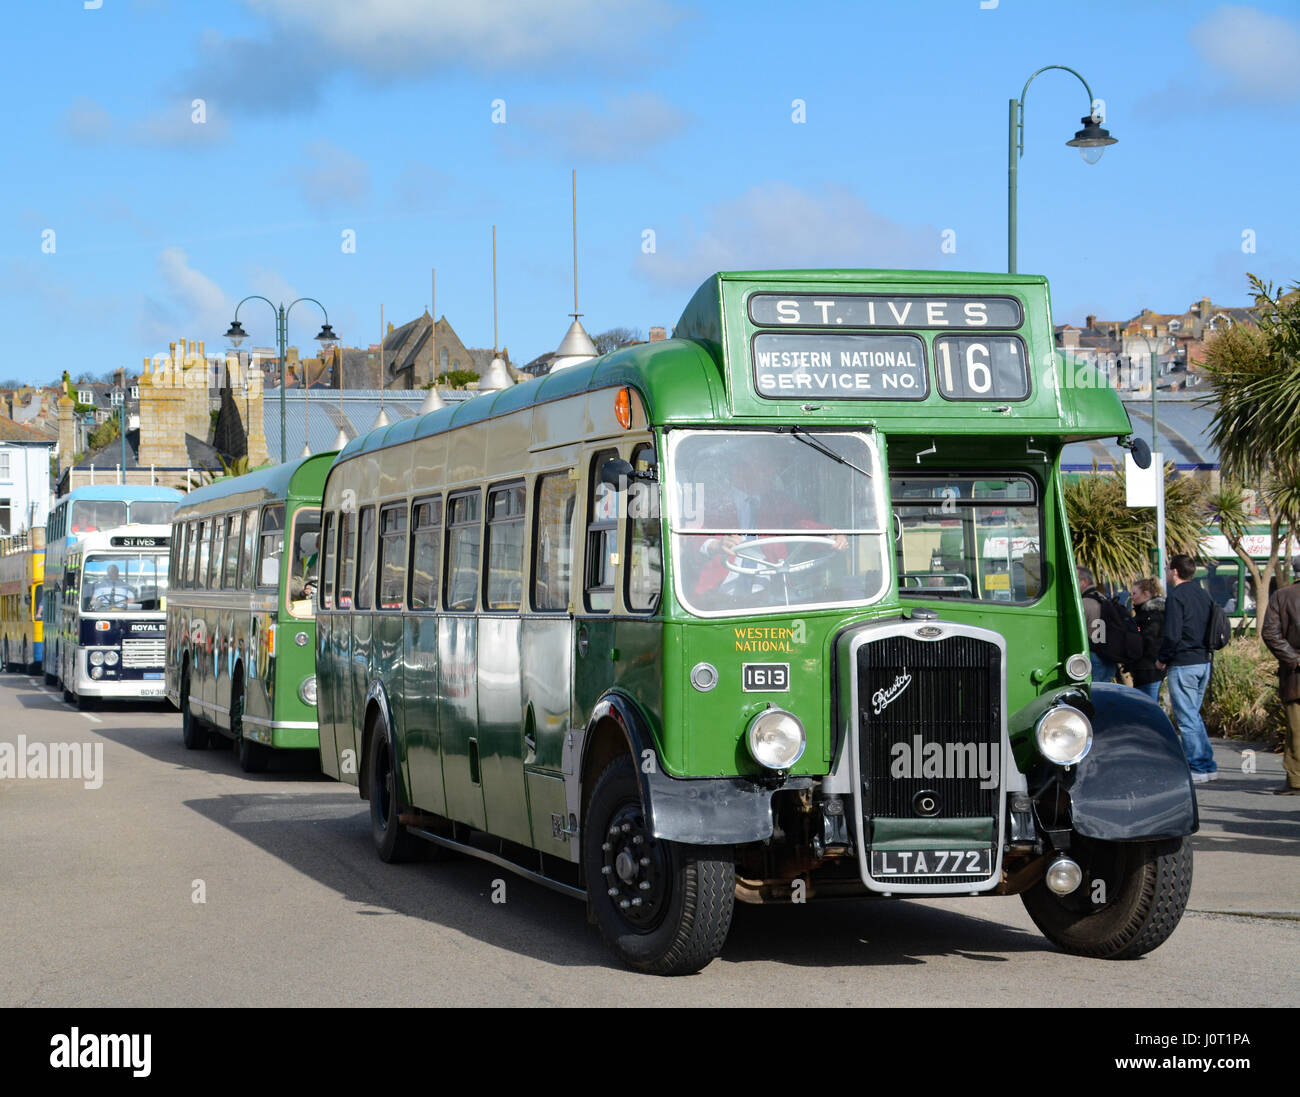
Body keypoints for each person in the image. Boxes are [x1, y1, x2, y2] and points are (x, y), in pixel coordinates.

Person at [1157, 554, 1217, 783]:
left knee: (1186, 718)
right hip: (1203, 660)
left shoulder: (1176, 597)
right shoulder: (1203, 594)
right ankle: (1207, 764)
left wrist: (1162, 658)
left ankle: (1198, 767)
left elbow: (1172, 633)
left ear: (1174, 571)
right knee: (1194, 715)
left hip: (1184, 663)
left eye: (1168, 569)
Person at [1260, 561, 1300, 795]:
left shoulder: (1282, 596)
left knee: (1296, 730)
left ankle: (1295, 780)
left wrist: (1294, 659)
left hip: (1294, 676)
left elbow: (1270, 633)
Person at [1125, 577, 1166, 701]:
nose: (1132, 597)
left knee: (1149, 705)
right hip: (1143, 667)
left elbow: (1151, 641)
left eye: (1134, 593)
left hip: (1149, 668)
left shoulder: (1151, 616)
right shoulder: (1143, 615)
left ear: (1146, 594)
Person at [1077, 565, 1115, 683]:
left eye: (1076, 579)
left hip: (1093, 657)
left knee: (1093, 695)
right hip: (1109, 656)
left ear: (1085, 582)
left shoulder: (1083, 603)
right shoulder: (1104, 599)